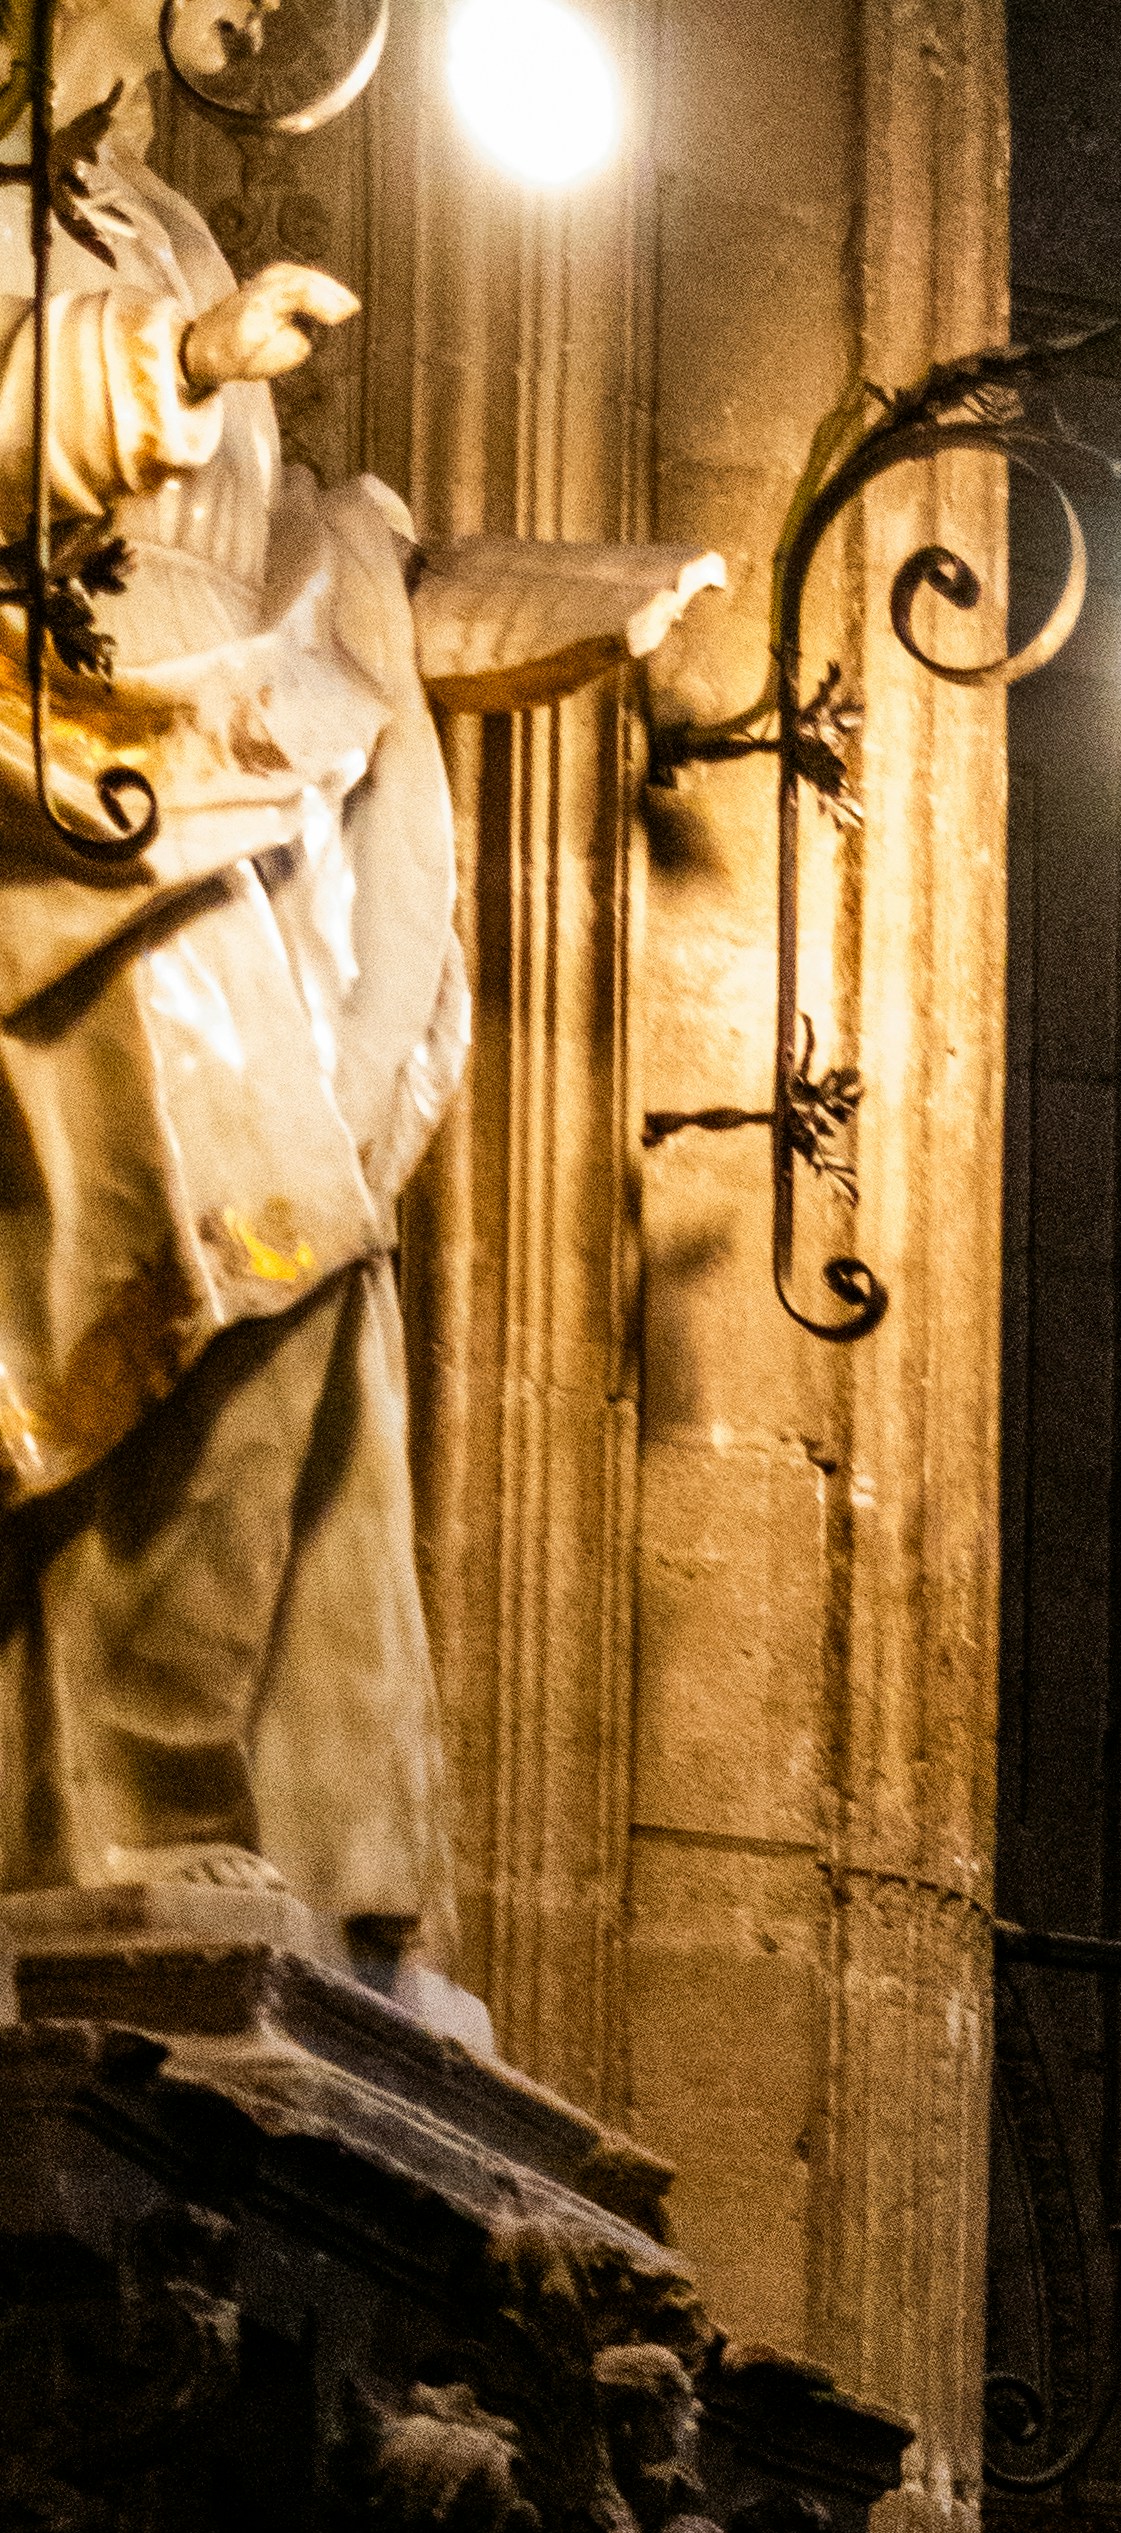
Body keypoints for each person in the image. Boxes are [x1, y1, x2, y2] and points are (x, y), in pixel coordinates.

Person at [0, 5, 716, 1980]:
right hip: (63, 787)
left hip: (215, 775)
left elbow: (280, 537)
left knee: (305, 1297)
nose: (243, 16)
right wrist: (167, 368)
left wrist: (485, 601)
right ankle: (136, 1807)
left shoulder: (161, 219)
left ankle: (232, 1825)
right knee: (259, 1259)